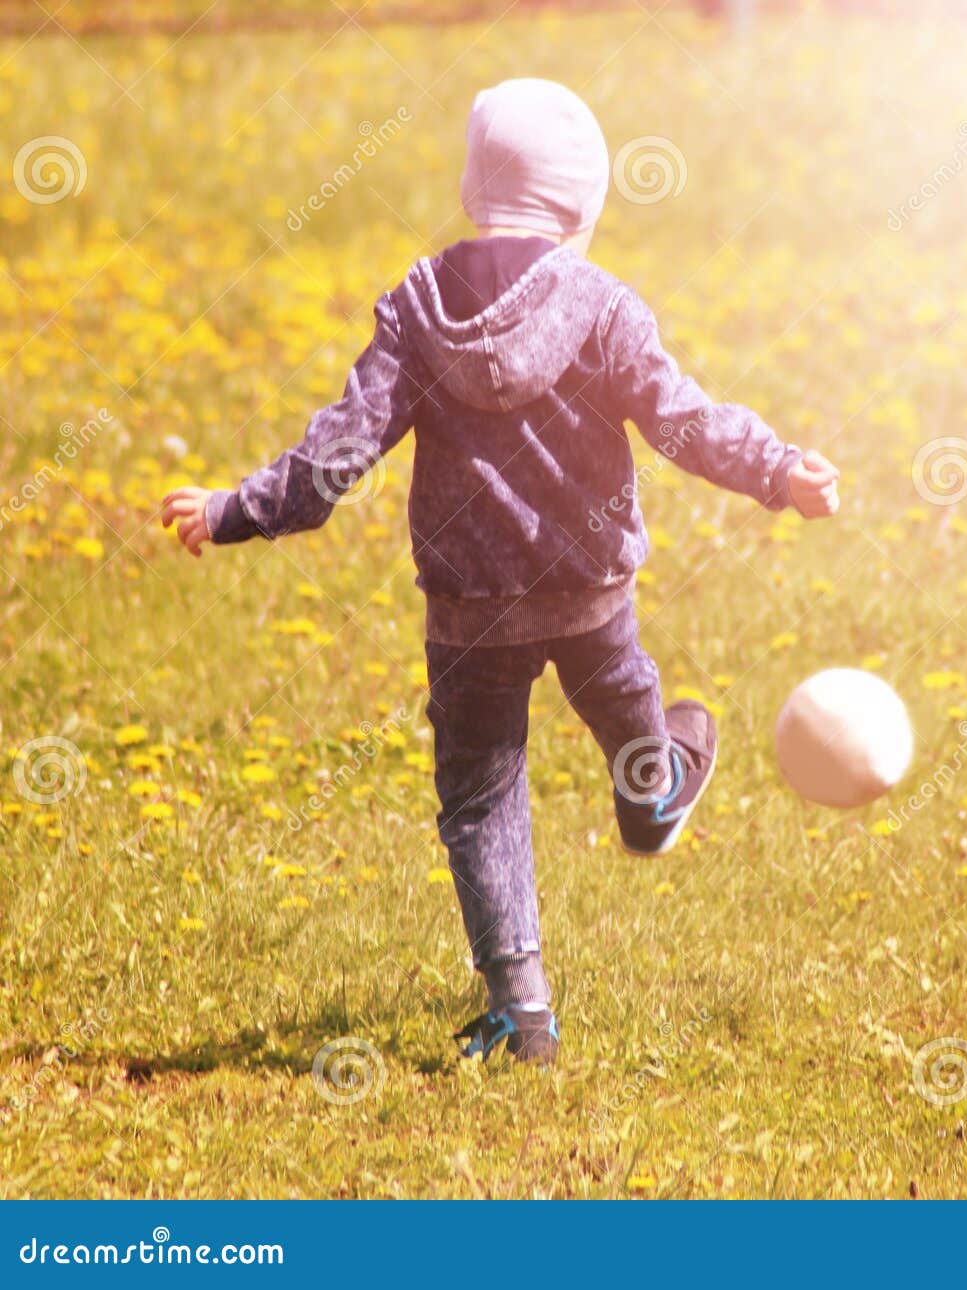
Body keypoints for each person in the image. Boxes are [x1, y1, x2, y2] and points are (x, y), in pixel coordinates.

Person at [161, 78, 841, 1065]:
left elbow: (338, 454)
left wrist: (234, 512)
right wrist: (777, 469)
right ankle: (654, 787)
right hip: (589, 593)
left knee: (481, 795)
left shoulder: (416, 304)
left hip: (468, 610)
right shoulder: (602, 305)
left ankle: (522, 1015)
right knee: (621, 698)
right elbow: (682, 422)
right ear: (584, 201)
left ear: (477, 185)